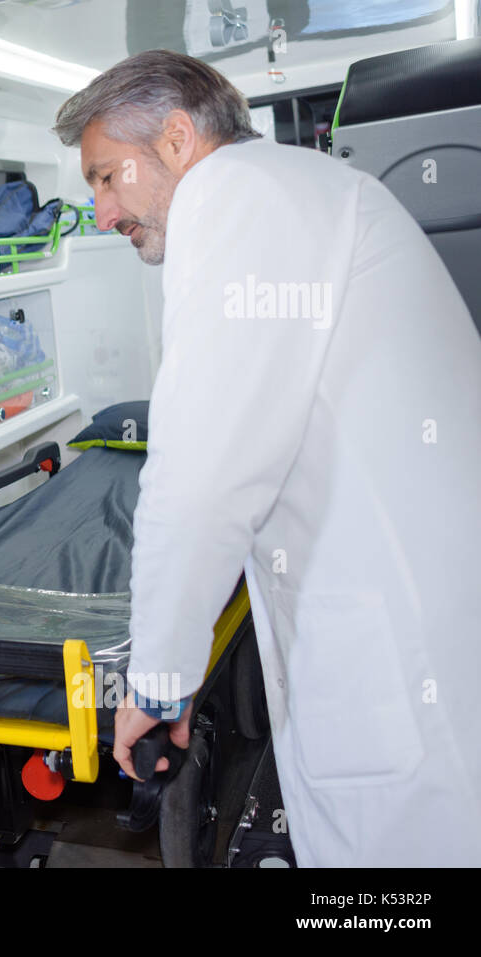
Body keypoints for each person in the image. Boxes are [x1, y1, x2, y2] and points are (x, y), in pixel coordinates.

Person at [54, 50, 481, 866]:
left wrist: (158, 680)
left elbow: (200, 470)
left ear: (177, 139)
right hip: (410, 598)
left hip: (391, 636)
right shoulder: (302, 188)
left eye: (108, 177)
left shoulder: (234, 197)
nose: (102, 211)